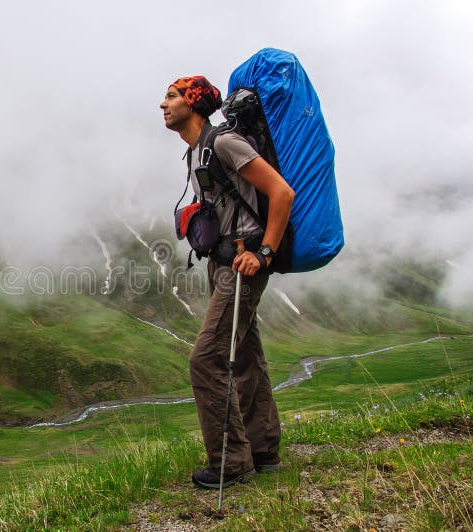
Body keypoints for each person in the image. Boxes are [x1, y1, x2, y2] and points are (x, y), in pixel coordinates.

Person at [160, 76, 294, 489]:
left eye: (172, 96)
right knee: (247, 357)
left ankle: (231, 462)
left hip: (244, 263)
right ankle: (264, 450)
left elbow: (282, 193)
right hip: (224, 263)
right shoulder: (196, 151)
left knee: (207, 359)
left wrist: (264, 253)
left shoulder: (223, 143)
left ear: (194, 102)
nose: (162, 104)